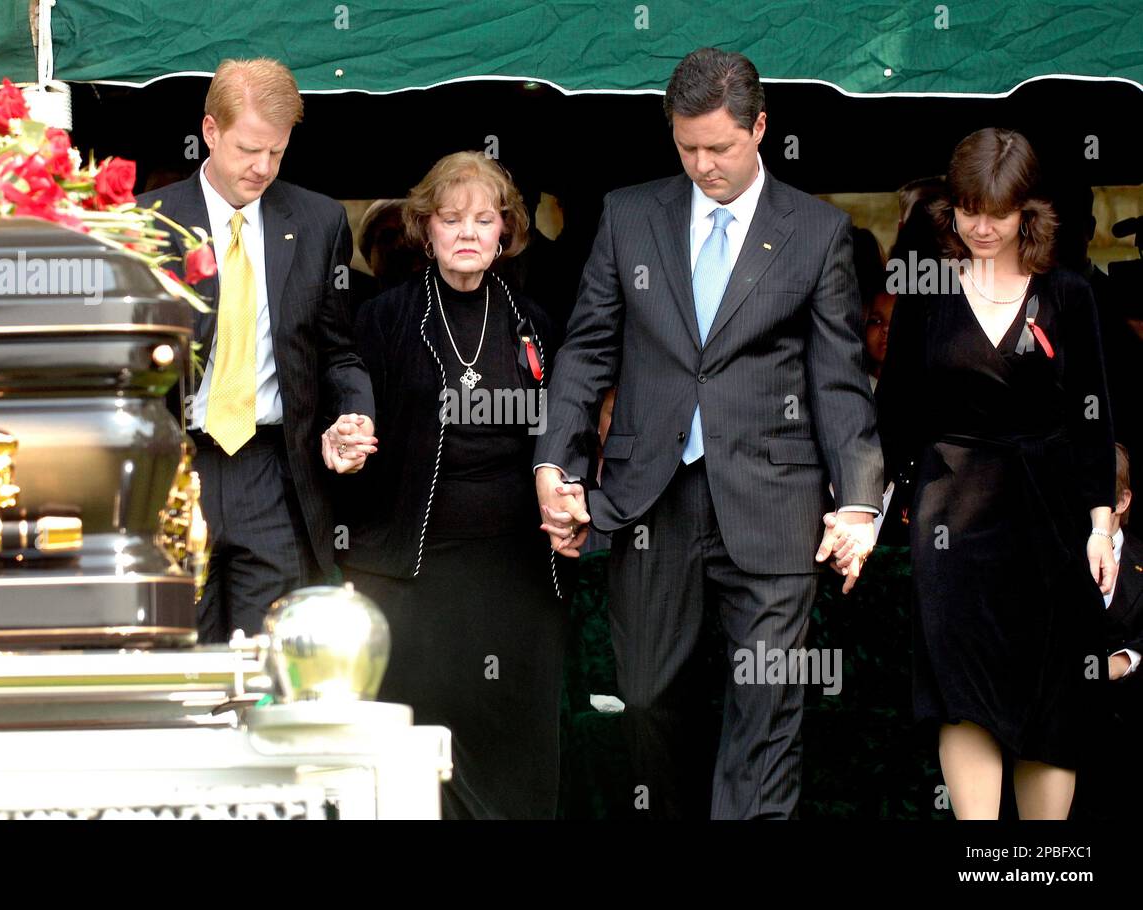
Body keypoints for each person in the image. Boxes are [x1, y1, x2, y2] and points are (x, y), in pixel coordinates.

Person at [534, 47, 884, 820]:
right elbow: (588, 350)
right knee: (647, 698)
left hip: (773, 502)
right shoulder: (628, 215)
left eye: (719, 147)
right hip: (650, 498)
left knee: (764, 705)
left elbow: (839, 383)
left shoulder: (817, 233)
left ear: (759, 128)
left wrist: (859, 500)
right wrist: (556, 464)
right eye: (686, 147)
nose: (702, 164)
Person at [876, 127, 1118, 819]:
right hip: (951, 516)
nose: (982, 227)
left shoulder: (1069, 294)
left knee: (1051, 695)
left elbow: (1093, 417)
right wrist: (864, 509)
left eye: (998, 212)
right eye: (968, 208)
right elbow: (894, 417)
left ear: (1027, 213)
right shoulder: (924, 293)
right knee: (963, 694)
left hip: (1050, 517)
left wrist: (1101, 522)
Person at [337, 152, 566, 820]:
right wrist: (344, 440)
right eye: (451, 218)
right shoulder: (384, 318)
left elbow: (559, 437)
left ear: (506, 231)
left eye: (483, 218)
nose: (467, 231)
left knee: (512, 744)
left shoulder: (537, 325)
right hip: (413, 569)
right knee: (418, 743)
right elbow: (352, 416)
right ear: (426, 228)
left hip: (518, 572)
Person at [137, 58, 375, 642]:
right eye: (248, 149)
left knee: (269, 665)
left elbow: (337, 352)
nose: (262, 168)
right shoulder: (146, 223)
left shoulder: (319, 222)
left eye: (277, 152)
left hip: (273, 471)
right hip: (173, 467)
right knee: (176, 656)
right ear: (210, 132)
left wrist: (353, 415)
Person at [1073, 443, 1143, 819]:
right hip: (1056, 727)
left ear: (1122, 500)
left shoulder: (1141, 560)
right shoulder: (1056, 555)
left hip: (1125, 741)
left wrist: (1125, 659)